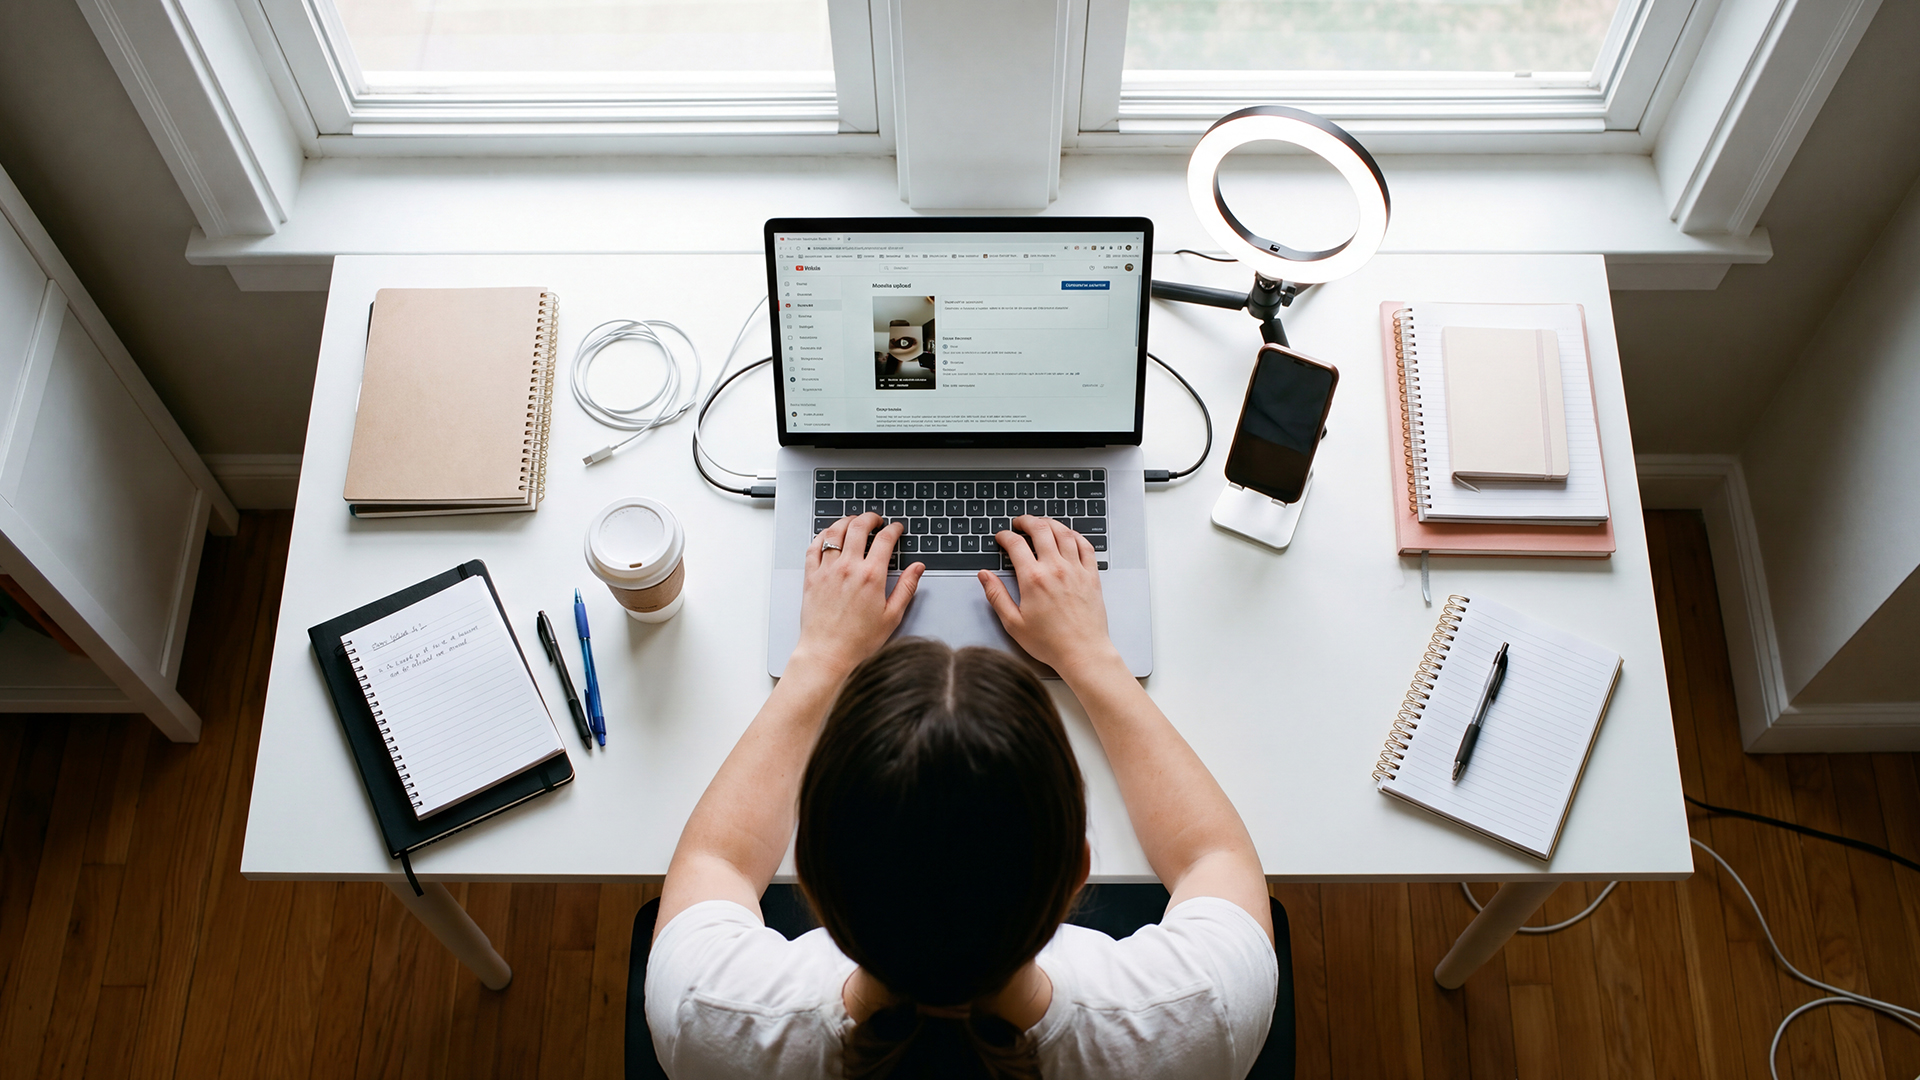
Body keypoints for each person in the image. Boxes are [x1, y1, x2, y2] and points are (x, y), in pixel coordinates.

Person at [647, 512, 1277, 1079]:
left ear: (807, 882)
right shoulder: (1198, 1015)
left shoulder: (706, 1014)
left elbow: (717, 863)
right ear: (1077, 874)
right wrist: (1090, 654)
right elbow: (1214, 859)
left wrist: (819, 656)